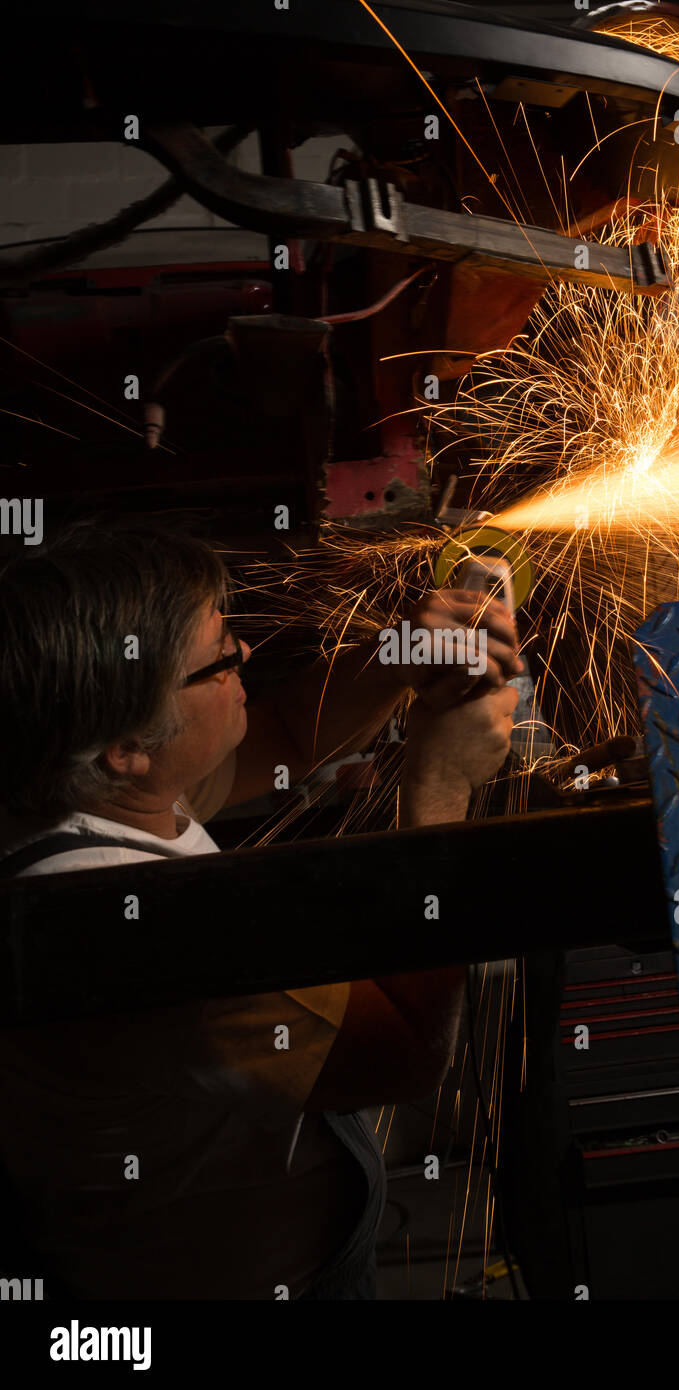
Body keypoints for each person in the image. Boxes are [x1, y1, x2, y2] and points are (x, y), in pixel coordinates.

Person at [0, 516, 522, 1299]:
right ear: (127, 746)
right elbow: (405, 1054)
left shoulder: (77, 788)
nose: (244, 652)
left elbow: (276, 737)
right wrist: (441, 786)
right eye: (216, 660)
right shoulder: (125, 922)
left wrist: (397, 658)